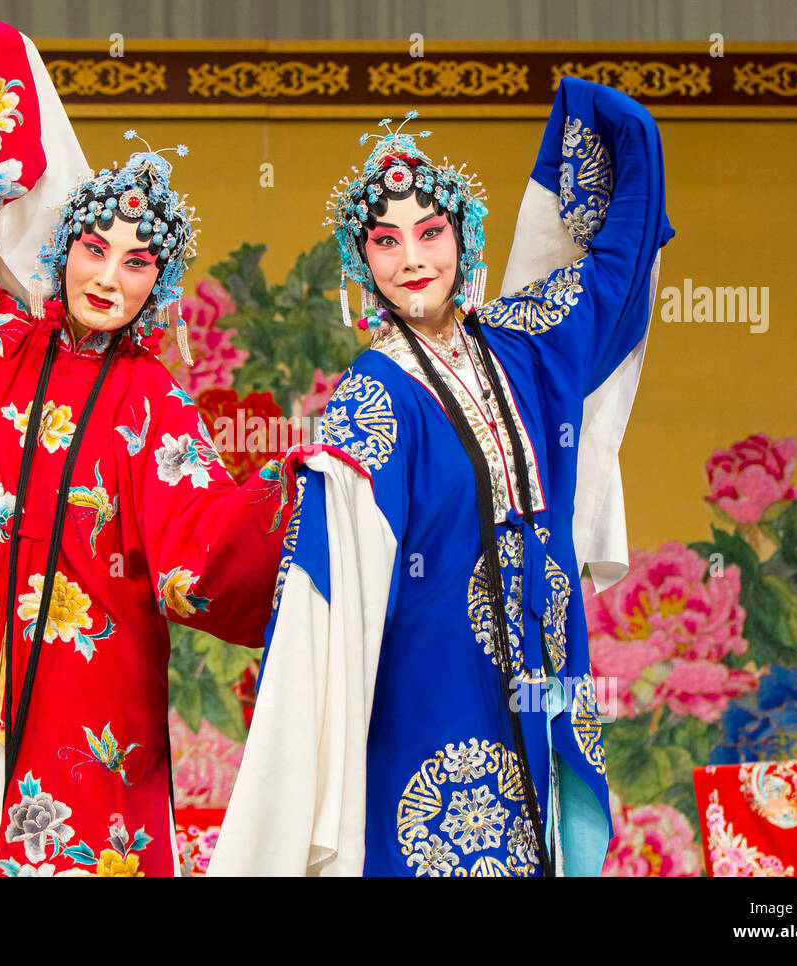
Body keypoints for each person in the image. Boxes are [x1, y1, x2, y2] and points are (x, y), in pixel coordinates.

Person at [0, 19, 353, 877]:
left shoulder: (151, 400)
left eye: (138, 262)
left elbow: (203, 547)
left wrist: (303, 483)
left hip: (89, 709)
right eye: (93, 249)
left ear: (160, 282)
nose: (108, 277)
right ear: (64, 246)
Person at [210, 80, 675, 876]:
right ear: (363, 260)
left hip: (544, 666)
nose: (413, 258)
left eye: (429, 232)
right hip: (430, 685)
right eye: (386, 242)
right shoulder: (374, 392)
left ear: (466, 240)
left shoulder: (526, 348)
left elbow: (617, 271)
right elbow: (339, 565)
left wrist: (603, 117)